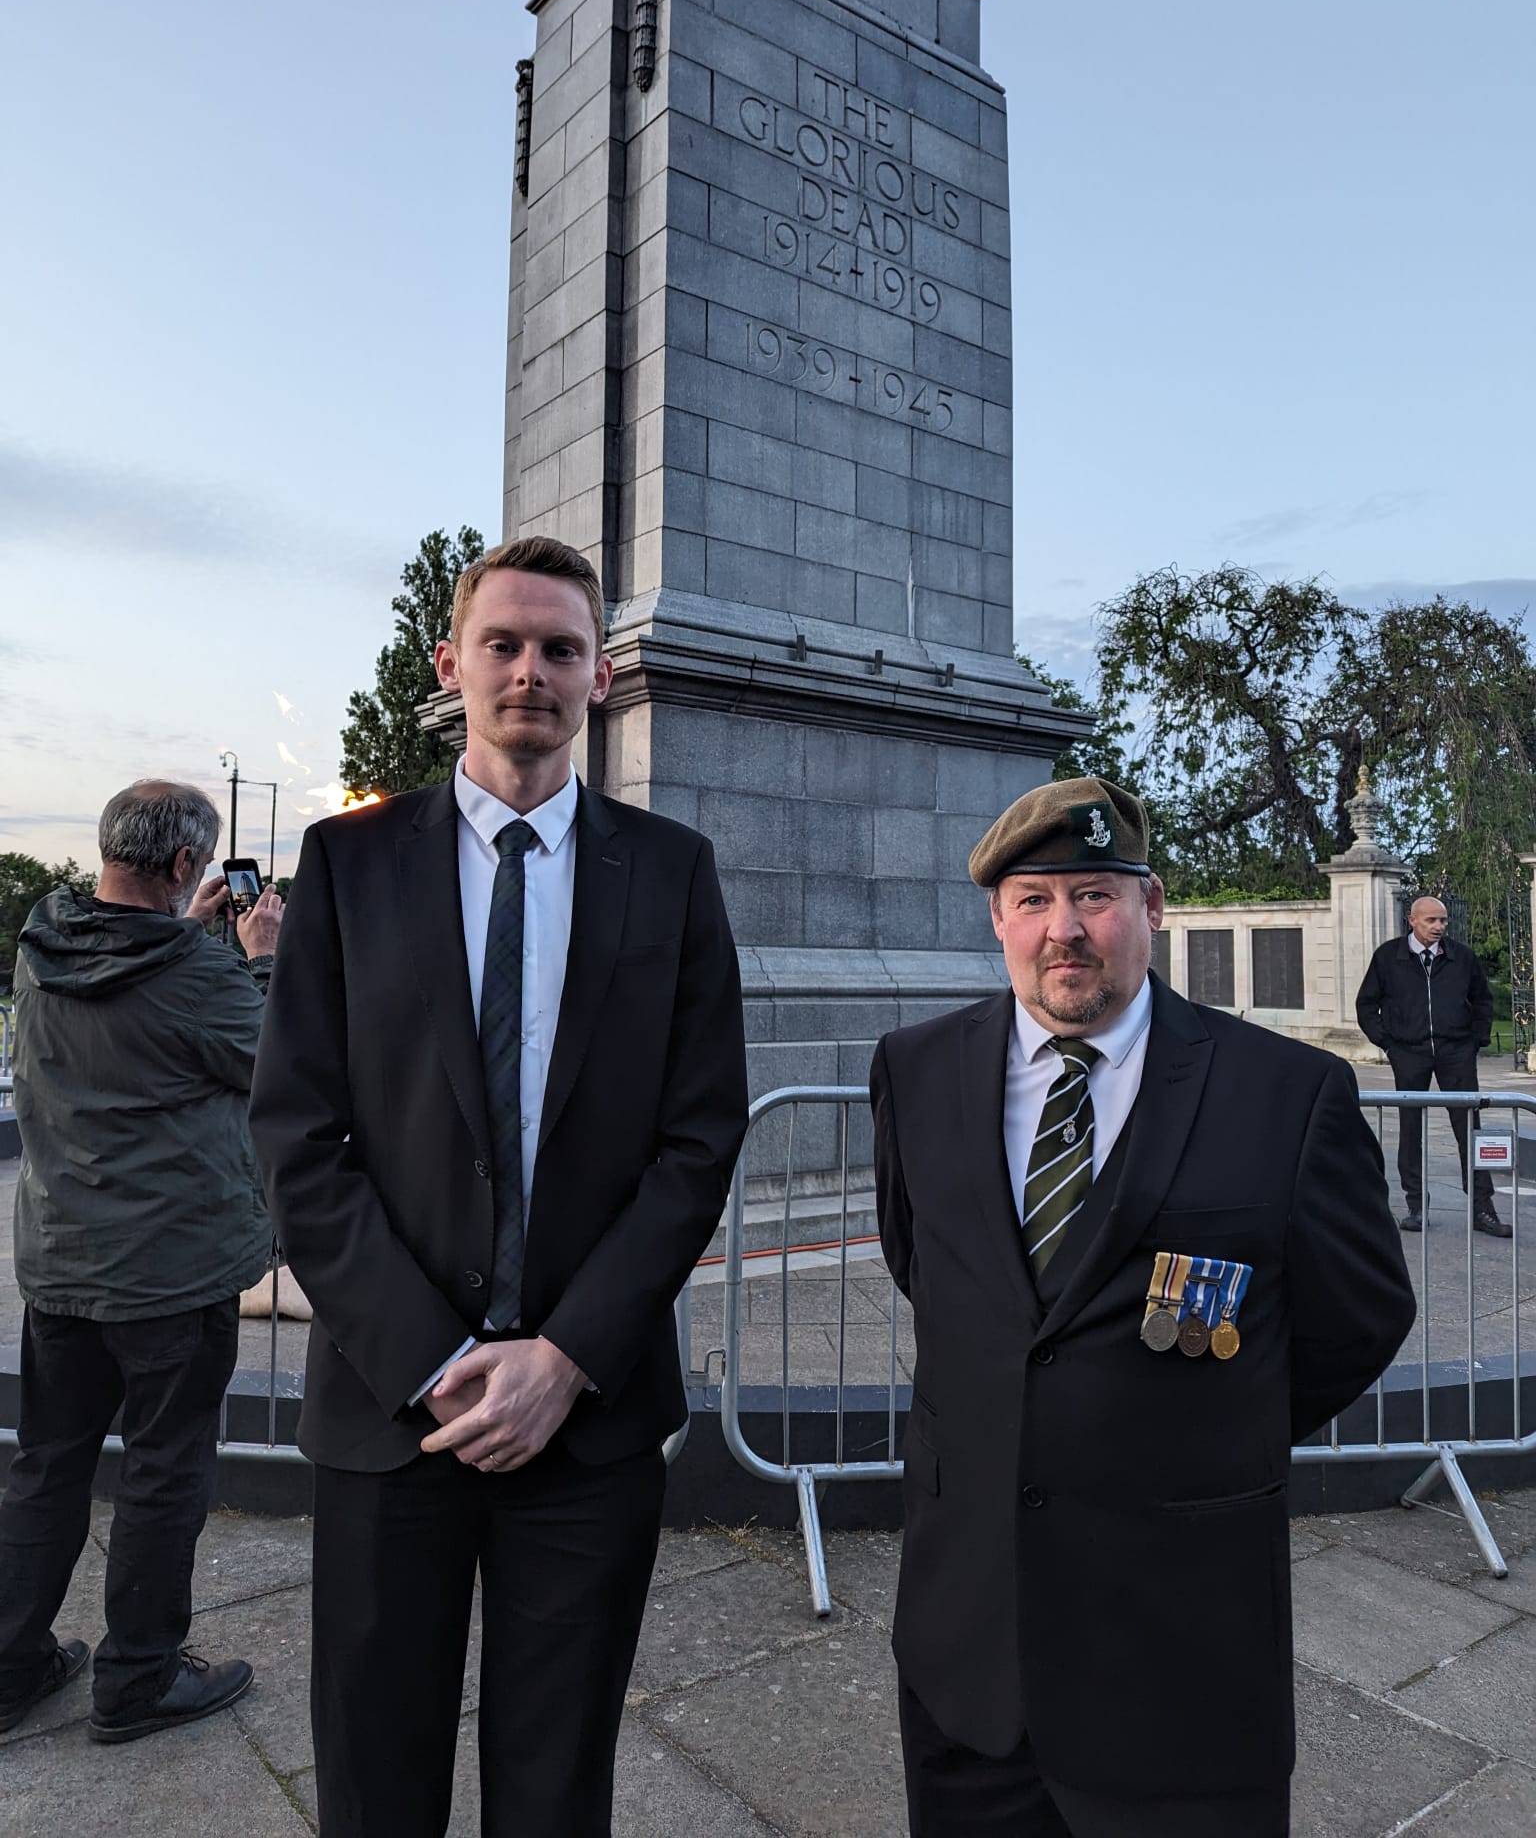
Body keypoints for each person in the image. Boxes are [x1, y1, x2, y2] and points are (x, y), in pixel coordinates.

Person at [250, 534, 748, 1838]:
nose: (531, 671)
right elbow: (301, 1134)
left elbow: (699, 1142)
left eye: (561, 650)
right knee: (373, 1773)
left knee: (556, 1781)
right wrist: (436, 1359)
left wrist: (566, 1356)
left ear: (598, 676)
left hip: (588, 1423)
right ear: (452, 665)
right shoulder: (349, 870)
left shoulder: (673, 872)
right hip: (391, 1408)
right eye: (507, 644)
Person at [872, 776, 1415, 1838]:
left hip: (1183, 1663)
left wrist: (1192, 1426)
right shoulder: (916, 1072)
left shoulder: (1286, 1095)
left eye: (1095, 896)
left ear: (1153, 905)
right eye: (1033, 901)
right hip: (968, 1660)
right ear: (997, 919)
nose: (1064, 930)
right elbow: (935, 1276)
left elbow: (1359, 1319)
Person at [0, 780, 282, 1743]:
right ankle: (138, 1680)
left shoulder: (42, 946)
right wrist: (261, 962)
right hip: (168, 1274)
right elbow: (274, 1061)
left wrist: (188, 932)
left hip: (62, 1266)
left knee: (46, 1467)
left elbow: (134, 1000)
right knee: (164, 1474)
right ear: (182, 866)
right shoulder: (198, 977)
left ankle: (9, 1668)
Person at [1356, 895, 1508, 1236]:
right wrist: (1389, 1044)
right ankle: (1415, 1206)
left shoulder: (1461, 957)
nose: (1439, 926)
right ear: (1413, 921)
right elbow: (1367, 1004)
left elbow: (1483, 999)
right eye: (1432, 921)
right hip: (1409, 1052)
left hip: (1456, 1051)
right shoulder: (1388, 957)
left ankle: (1483, 1208)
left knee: (1470, 1126)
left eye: (1443, 920)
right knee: (1411, 1127)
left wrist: (1476, 1041)